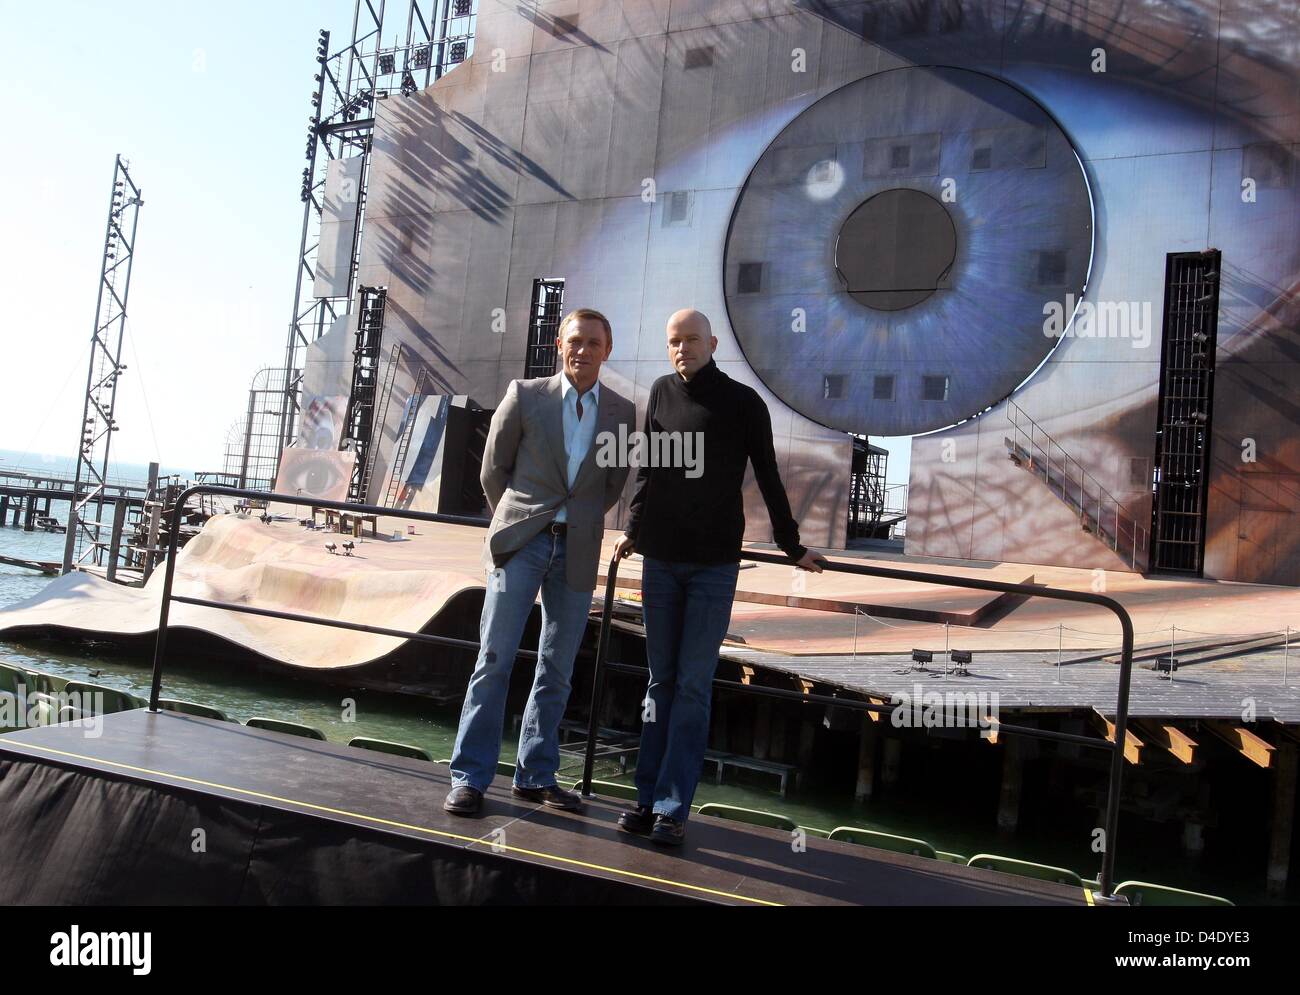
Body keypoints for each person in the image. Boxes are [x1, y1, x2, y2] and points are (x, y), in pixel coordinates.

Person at [613, 308, 824, 845]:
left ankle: (671, 807)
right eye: (672, 341)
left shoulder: (743, 403)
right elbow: (649, 469)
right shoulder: (661, 393)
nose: (680, 348)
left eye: (690, 340)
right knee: (660, 683)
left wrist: (791, 545)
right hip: (660, 559)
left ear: (712, 343)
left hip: (712, 565)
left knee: (691, 684)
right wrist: (632, 529)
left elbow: (770, 475)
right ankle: (643, 797)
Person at [444, 309, 635, 815]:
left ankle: (535, 775)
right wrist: (515, 522)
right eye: (576, 341)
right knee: (495, 658)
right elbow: (493, 469)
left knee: (558, 665)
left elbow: (613, 484)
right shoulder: (525, 395)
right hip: (522, 544)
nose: (584, 350)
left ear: (607, 349)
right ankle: (470, 777)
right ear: (559, 343)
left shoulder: (621, 412)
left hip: (576, 549)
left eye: (594, 342)